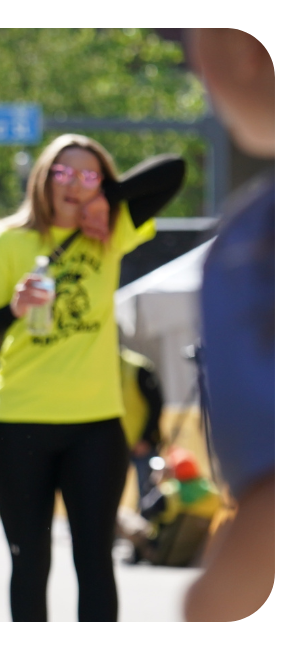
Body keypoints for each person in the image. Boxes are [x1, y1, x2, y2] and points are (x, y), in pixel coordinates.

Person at [0, 133, 185, 621]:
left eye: (88, 175)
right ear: (44, 179)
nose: (75, 185)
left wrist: (106, 200)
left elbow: (174, 170)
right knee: (31, 561)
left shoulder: (110, 228)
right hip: (19, 425)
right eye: (64, 173)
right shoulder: (10, 239)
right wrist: (13, 308)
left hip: (96, 426)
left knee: (95, 560)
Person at [184, 28, 274, 622]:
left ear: (244, 48)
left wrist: (213, 599)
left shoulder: (254, 246)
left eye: (189, 42)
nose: (193, 68)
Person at [119, 346, 164, 500]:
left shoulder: (138, 367)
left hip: (142, 445)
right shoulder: (99, 368)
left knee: (148, 497)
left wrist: (146, 438)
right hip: (116, 444)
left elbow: (156, 404)